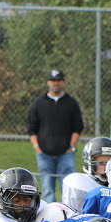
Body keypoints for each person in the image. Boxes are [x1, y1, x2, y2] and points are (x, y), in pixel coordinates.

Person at [28, 69, 85, 202]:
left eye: (59, 80)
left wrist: (71, 147)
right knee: (48, 189)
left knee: (69, 188)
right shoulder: (39, 102)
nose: (56, 83)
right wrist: (37, 147)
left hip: (66, 154)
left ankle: (69, 212)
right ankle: (51, 213)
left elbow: (78, 127)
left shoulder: (71, 102)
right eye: (53, 80)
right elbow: (31, 128)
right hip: (44, 155)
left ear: (63, 82)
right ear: (48, 82)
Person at [61, 137, 111, 212]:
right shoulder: (80, 183)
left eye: (109, 163)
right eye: (101, 163)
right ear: (89, 163)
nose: (106, 167)